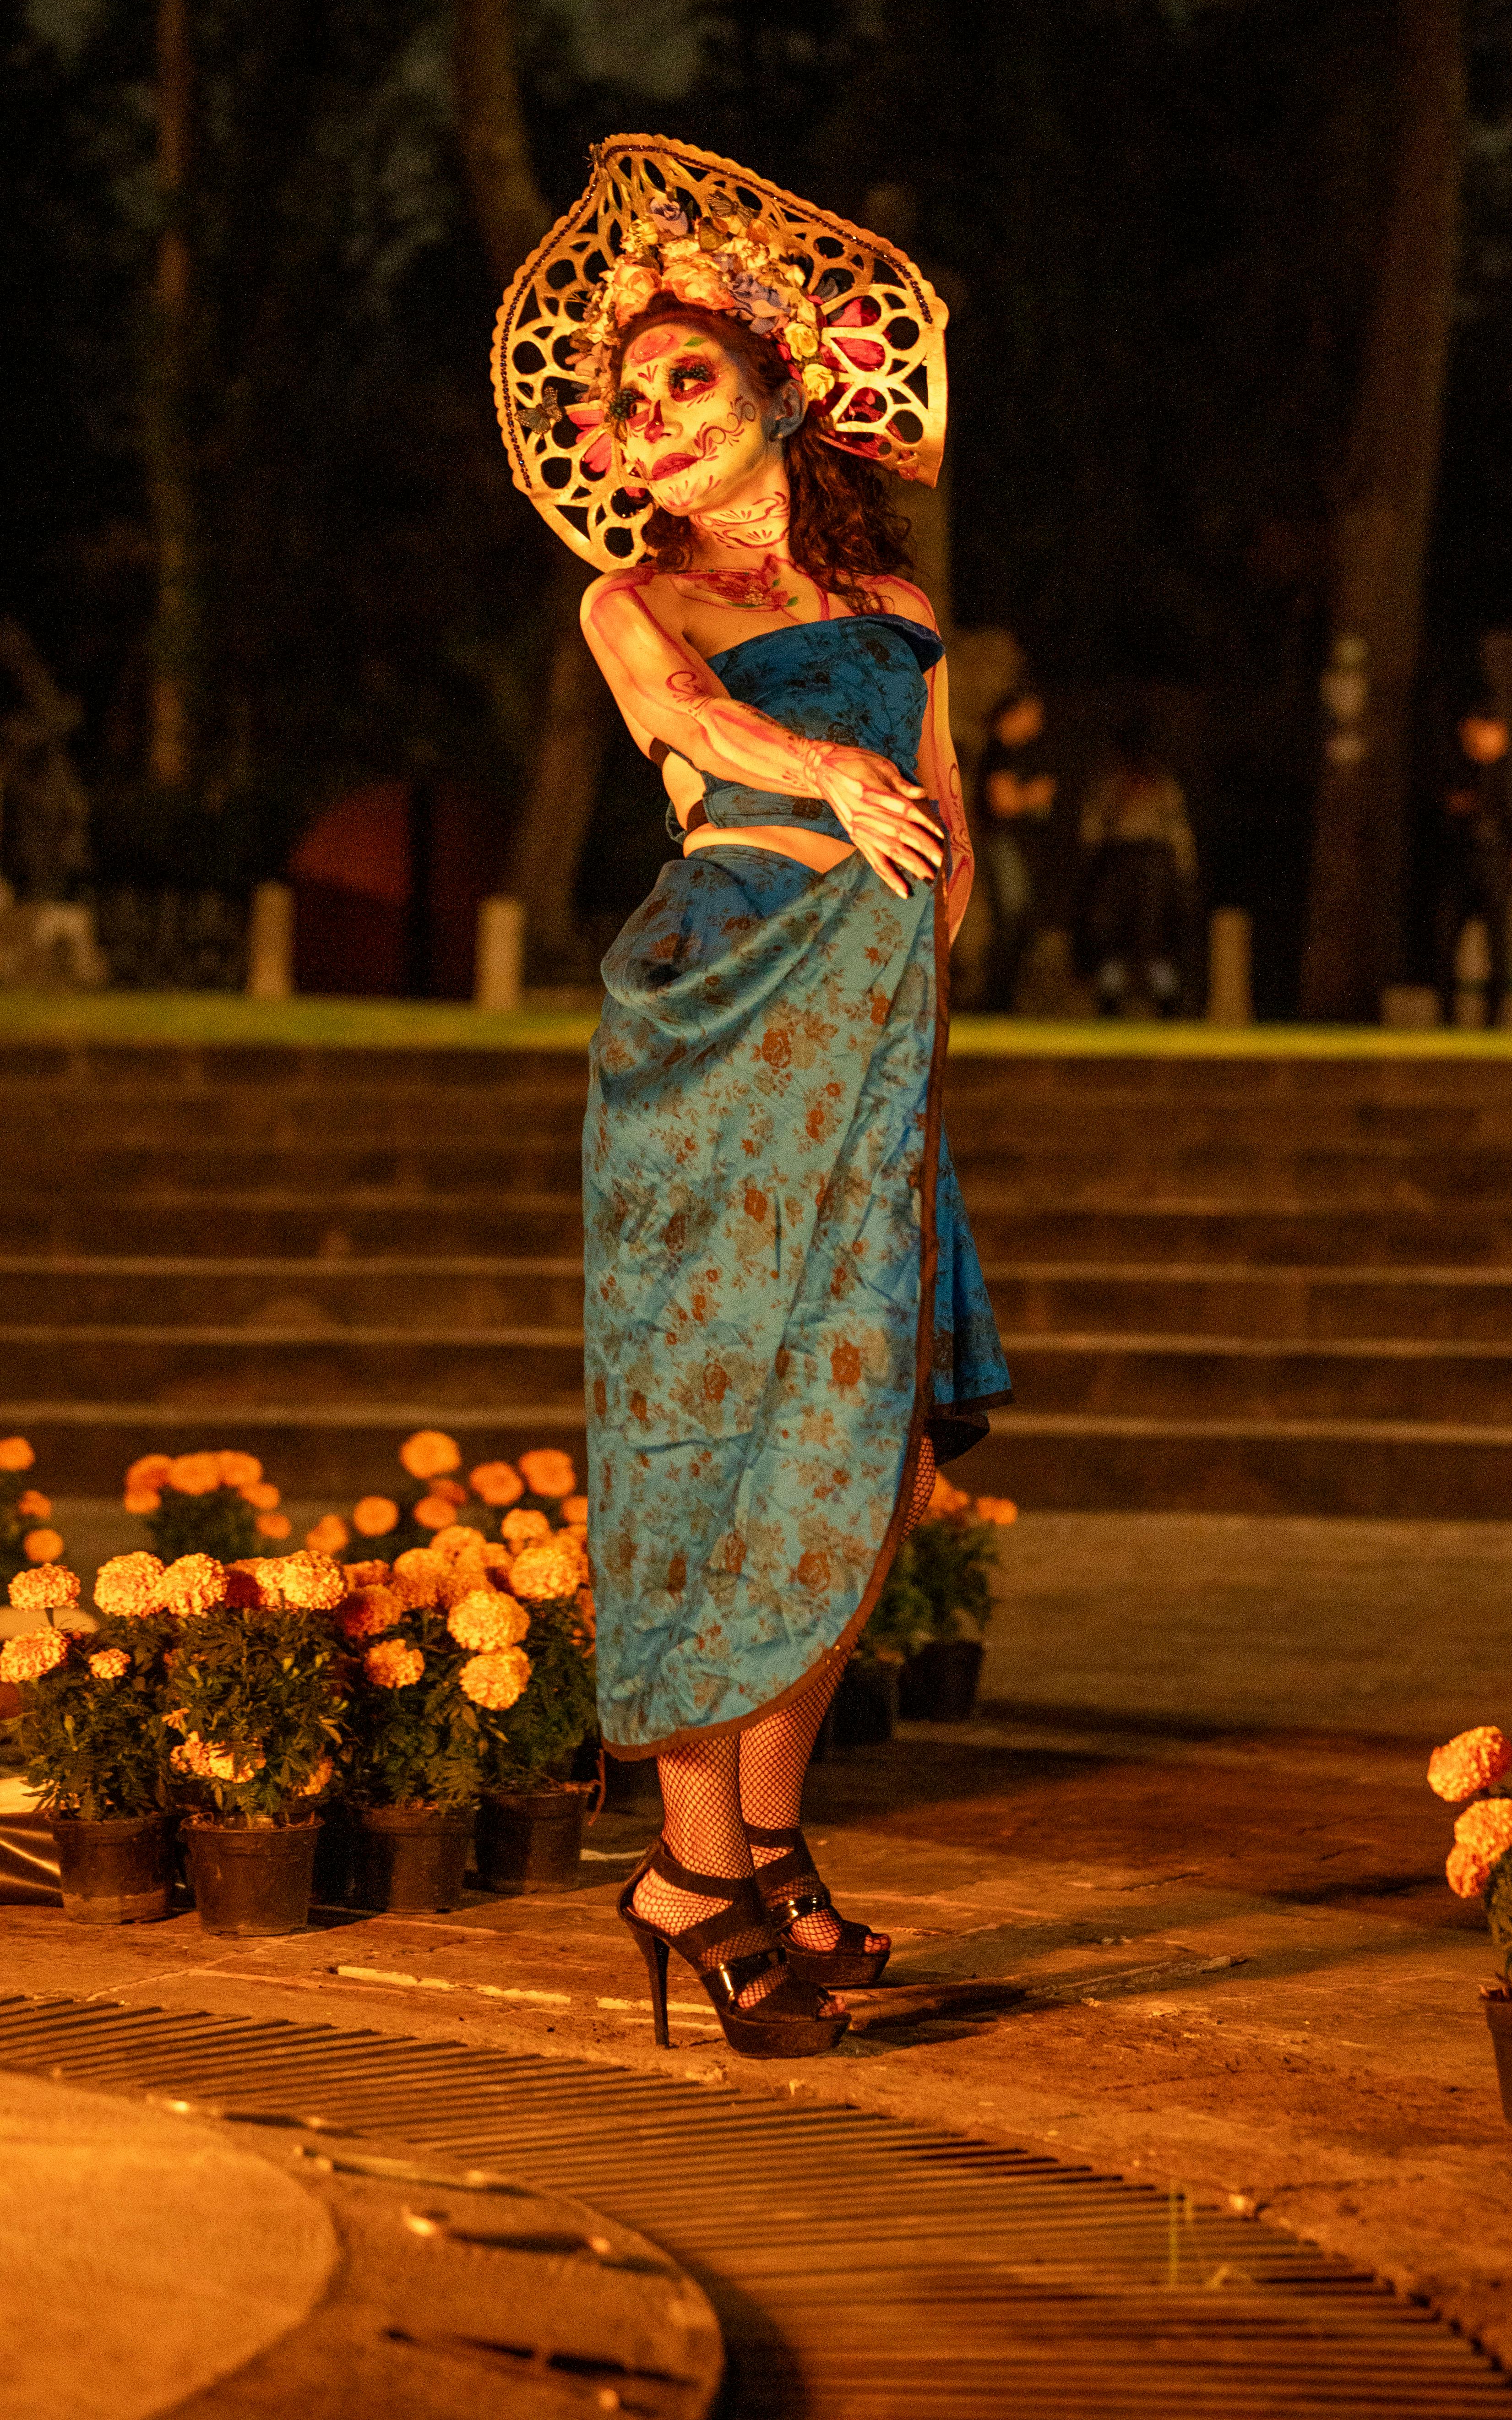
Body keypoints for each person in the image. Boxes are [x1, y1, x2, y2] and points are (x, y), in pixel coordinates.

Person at [491, 138, 1011, 2062]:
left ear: (780, 390)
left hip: (870, 1056)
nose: (643, 419)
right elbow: (695, 737)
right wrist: (827, 787)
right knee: (715, 1438)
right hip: (721, 1034)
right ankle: (691, 1871)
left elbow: (950, 837)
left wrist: (932, 929)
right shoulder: (635, 603)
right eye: (620, 402)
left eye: (678, 379)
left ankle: (759, 1838)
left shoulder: (895, 604)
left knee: (868, 1457)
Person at [1075, 711, 1197, 1017]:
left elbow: (1176, 827)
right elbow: (1094, 824)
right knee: (1113, 931)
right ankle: (1111, 997)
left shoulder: (1161, 783)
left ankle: (1164, 998)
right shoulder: (1112, 782)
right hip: (1118, 858)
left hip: (1153, 860)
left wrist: (1184, 868)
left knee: (1153, 932)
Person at [1433, 709, 1512, 1026]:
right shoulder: (1453, 767)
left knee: (1498, 945)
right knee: (1445, 945)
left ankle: (1493, 1020)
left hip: (1496, 866)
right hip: (1457, 867)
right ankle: (1447, 1019)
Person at [977, 684, 1056, 1011]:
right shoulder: (999, 751)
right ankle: (996, 999)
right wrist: (1033, 797)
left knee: (1019, 920)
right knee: (1011, 918)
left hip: (1016, 847)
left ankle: (1003, 998)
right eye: (1034, 715)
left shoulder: (1020, 754)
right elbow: (1002, 803)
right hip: (1001, 845)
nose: (1038, 724)